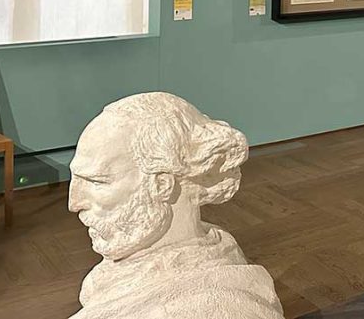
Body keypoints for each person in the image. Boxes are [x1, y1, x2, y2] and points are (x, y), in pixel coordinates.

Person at [68, 93, 285, 319]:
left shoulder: (215, 308)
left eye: (96, 181)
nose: (74, 203)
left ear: (162, 184)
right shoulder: (118, 276)